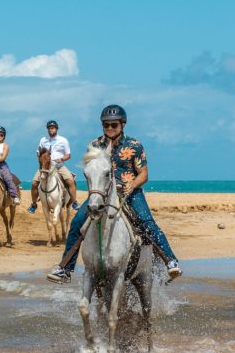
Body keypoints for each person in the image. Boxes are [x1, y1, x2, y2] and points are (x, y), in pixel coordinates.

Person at [46, 104, 182, 284]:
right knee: (77, 223)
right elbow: (90, 170)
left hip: (129, 193)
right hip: (101, 193)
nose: (110, 128)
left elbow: (143, 174)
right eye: (106, 125)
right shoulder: (94, 145)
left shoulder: (134, 146)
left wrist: (132, 185)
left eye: (114, 125)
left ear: (122, 124)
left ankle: (170, 261)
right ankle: (65, 268)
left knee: (147, 222)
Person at [28, 120, 77, 213]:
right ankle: (34, 204)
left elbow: (68, 155)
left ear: (56, 129)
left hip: (59, 166)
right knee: (34, 183)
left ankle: (74, 202)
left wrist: (61, 159)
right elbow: (38, 152)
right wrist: (41, 158)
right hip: (45, 167)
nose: (51, 130)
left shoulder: (63, 140)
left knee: (70, 181)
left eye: (52, 128)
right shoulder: (43, 140)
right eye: (49, 128)